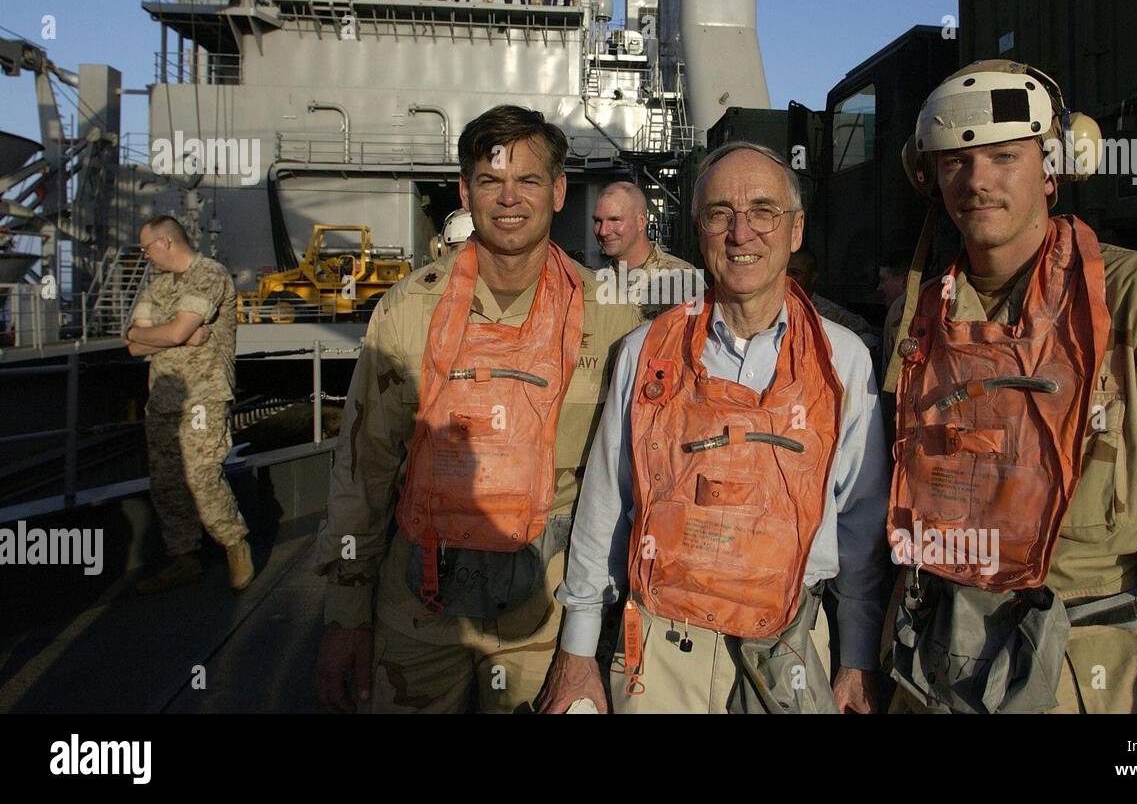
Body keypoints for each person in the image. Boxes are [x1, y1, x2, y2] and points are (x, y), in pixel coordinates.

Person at [880, 59, 1137, 713]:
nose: (978, 180)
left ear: (1054, 167)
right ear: (930, 176)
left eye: (1005, 156)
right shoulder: (917, 316)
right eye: (954, 160)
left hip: (1081, 675)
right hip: (935, 670)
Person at [539, 141, 892, 714]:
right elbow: (606, 502)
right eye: (720, 213)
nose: (741, 232)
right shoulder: (644, 353)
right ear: (699, 230)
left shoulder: (842, 360)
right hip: (660, 654)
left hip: (792, 648)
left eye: (762, 211)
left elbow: (861, 522)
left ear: (796, 230)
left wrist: (856, 660)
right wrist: (578, 650)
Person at [312, 106, 642, 714]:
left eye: (530, 180)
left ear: (560, 190)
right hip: (417, 617)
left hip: (546, 623)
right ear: (466, 192)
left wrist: (598, 629)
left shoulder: (612, 316)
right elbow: (364, 472)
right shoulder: (410, 311)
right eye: (490, 181)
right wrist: (345, 620)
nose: (509, 199)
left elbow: (630, 481)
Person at [124, 216, 253, 594]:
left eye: (147, 248)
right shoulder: (158, 287)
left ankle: (234, 543)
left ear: (165, 242)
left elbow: (172, 330)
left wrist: (166, 335)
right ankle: (183, 559)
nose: (146, 256)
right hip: (163, 399)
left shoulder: (209, 274)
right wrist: (178, 337)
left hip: (204, 393)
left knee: (200, 473)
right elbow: (133, 343)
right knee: (166, 481)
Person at [591, 180, 697, 321]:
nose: (603, 231)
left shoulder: (683, 279)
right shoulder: (594, 282)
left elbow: (699, 339)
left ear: (641, 222)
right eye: (598, 221)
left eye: (615, 220)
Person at [786, 248, 875, 348]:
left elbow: (867, 337)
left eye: (795, 273)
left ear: (813, 277)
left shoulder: (829, 313)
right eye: (784, 272)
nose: (788, 278)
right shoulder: (774, 308)